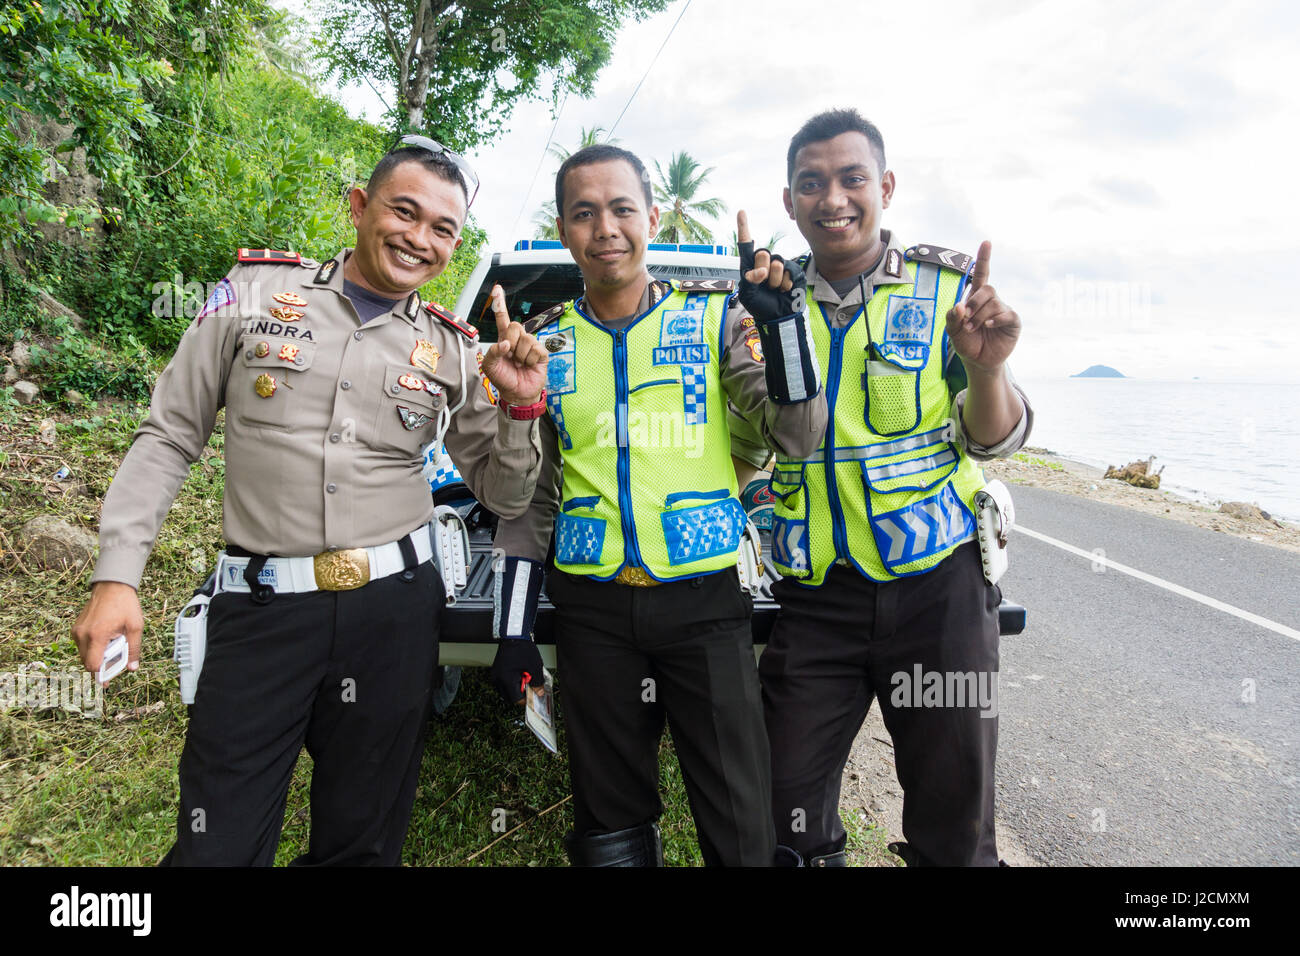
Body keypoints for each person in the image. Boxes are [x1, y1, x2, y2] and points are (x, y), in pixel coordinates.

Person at [71, 138, 549, 866]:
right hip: (263, 615)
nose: (420, 239)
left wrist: (521, 411)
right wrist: (116, 576)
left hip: (394, 616)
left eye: (443, 229)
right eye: (405, 212)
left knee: (361, 844)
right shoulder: (252, 292)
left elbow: (505, 495)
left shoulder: (455, 351)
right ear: (360, 207)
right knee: (215, 846)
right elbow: (169, 434)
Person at [489, 144, 827, 866]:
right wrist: (514, 630)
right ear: (563, 227)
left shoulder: (716, 322)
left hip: (704, 606)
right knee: (609, 821)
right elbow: (530, 501)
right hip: (592, 612)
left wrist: (783, 329)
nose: (604, 227)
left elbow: (796, 438)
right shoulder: (544, 344)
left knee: (740, 818)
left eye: (620, 209)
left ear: (651, 218)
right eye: (584, 213)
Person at [755, 109, 1033, 867]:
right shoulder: (763, 306)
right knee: (783, 815)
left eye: (851, 179)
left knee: (955, 823)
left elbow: (994, 437)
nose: (832, 198)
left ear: (885, 186)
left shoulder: (946, 291)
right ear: (789, 201)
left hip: (938, 595)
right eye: (811, 183)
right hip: (817, 602)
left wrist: (985, 366)